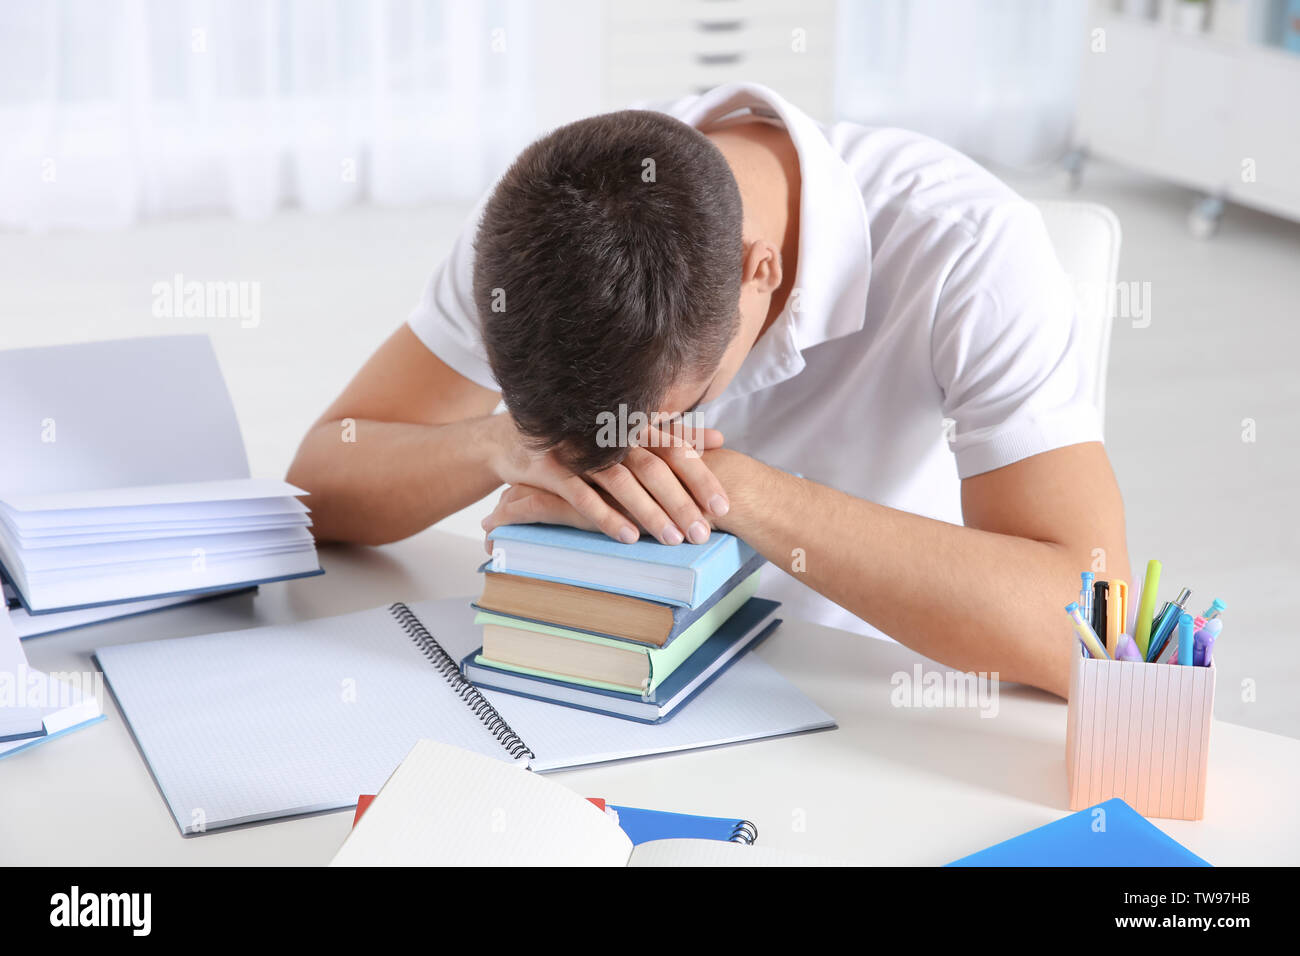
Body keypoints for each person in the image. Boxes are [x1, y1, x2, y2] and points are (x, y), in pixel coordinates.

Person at [287, 82, 1129, 698]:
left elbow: (1090, 626)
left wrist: (731, 491)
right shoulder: (544, 224)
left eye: (669, 418)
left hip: (857, 688)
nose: (634, 460)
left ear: (757, 274)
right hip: (601, 662)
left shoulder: (969, 251)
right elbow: (322, 480)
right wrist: (498, 442)